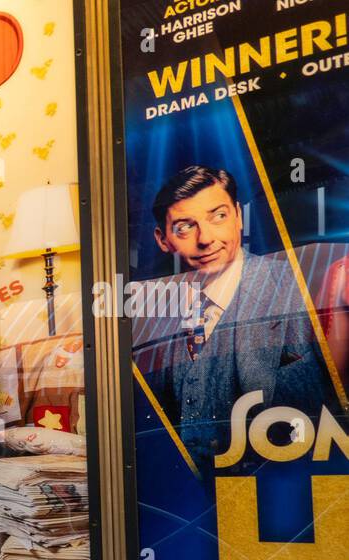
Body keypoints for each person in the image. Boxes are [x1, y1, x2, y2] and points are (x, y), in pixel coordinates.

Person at [130, 165, 334, 469]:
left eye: (218, 216)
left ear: (238, 216)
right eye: (185, 227)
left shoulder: (297, 286)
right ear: (163, 239)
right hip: (181, 491)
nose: (206, 238)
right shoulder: (155, 312)